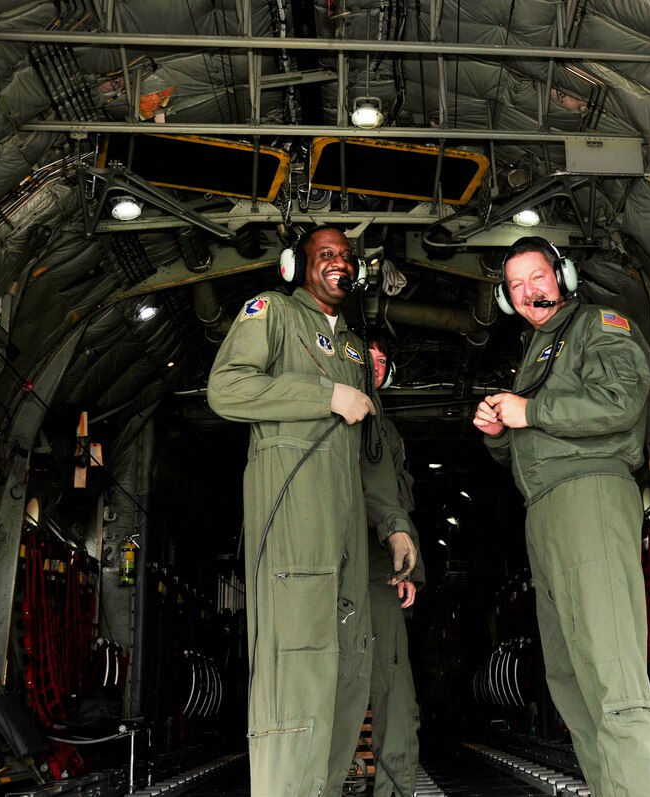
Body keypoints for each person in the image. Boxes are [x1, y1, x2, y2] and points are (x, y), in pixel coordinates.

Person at [207, 225, 417, 797]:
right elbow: (225, 390)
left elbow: (371, 456)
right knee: (295, 677)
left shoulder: (353, 349)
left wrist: (395, 525)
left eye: (346, 257)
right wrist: (323, 397)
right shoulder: (272, 313)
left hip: (349, 535)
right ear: (295, 265)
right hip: (295, 527)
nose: (339, 264)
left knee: (347, 676)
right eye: (326, 254)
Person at [473, 236, 650, 797]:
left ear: (563, 276)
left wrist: (529, 409)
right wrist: (499, 433)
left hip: (591, 499)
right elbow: (535, 441)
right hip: (547, 512)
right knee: (570, 678)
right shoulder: (539, 352)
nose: (529, 292)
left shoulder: (598, 325)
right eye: (516, 286)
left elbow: (619, 403)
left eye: (537, 277)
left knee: (612, 675)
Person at [365, 339, 425, 797]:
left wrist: (412, 572)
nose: (378, 365)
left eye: (385, 358)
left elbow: (399, 501)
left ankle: (393, 791)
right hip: (333, 562)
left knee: (395, 691)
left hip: (382, 568)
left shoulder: (388, 431)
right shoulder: (333, 410)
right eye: (369, 356)